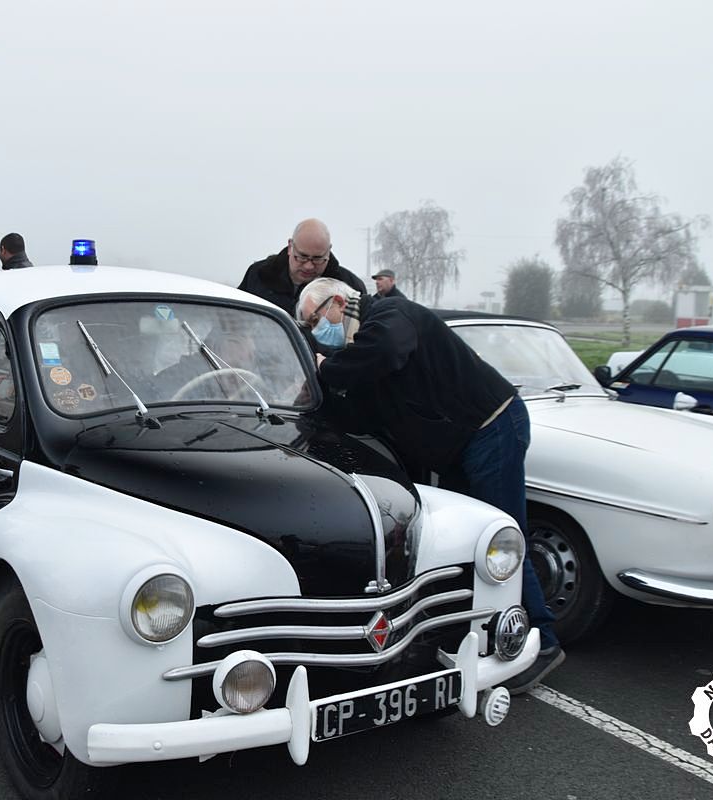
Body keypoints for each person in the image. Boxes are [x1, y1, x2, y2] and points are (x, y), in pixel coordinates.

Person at [298, 277, 564, 693]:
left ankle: (543, 642)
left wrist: (325, 367)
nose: (316, 329)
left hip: (490, 428)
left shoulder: (389, 314)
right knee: (468, 541)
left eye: (315, 319)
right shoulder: (363, 345)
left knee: (500, 538)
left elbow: (384, 351)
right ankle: (482, 633)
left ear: (337, 303)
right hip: (463, 442)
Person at [237, 218, 367, 316]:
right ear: (290, 247)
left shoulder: (348, 286)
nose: (309, 266)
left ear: (328, 251)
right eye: (302, 257)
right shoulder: (259, 275)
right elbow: (234, 319)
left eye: (317, 259)